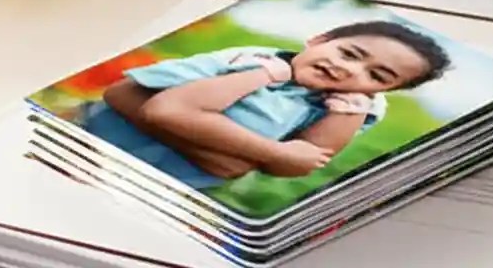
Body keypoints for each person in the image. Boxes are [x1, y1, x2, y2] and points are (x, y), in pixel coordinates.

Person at [86, 20, 452, 190]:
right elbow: (127, 96)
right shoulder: (250, 60)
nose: (349, 70)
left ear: (386, 90)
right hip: (93, 141)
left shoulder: (350, 108)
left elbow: (297, 163)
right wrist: (251, 153)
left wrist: (350, 110)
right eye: (348, 53)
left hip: (167, 187)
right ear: (319, 39)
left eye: (377, 76)